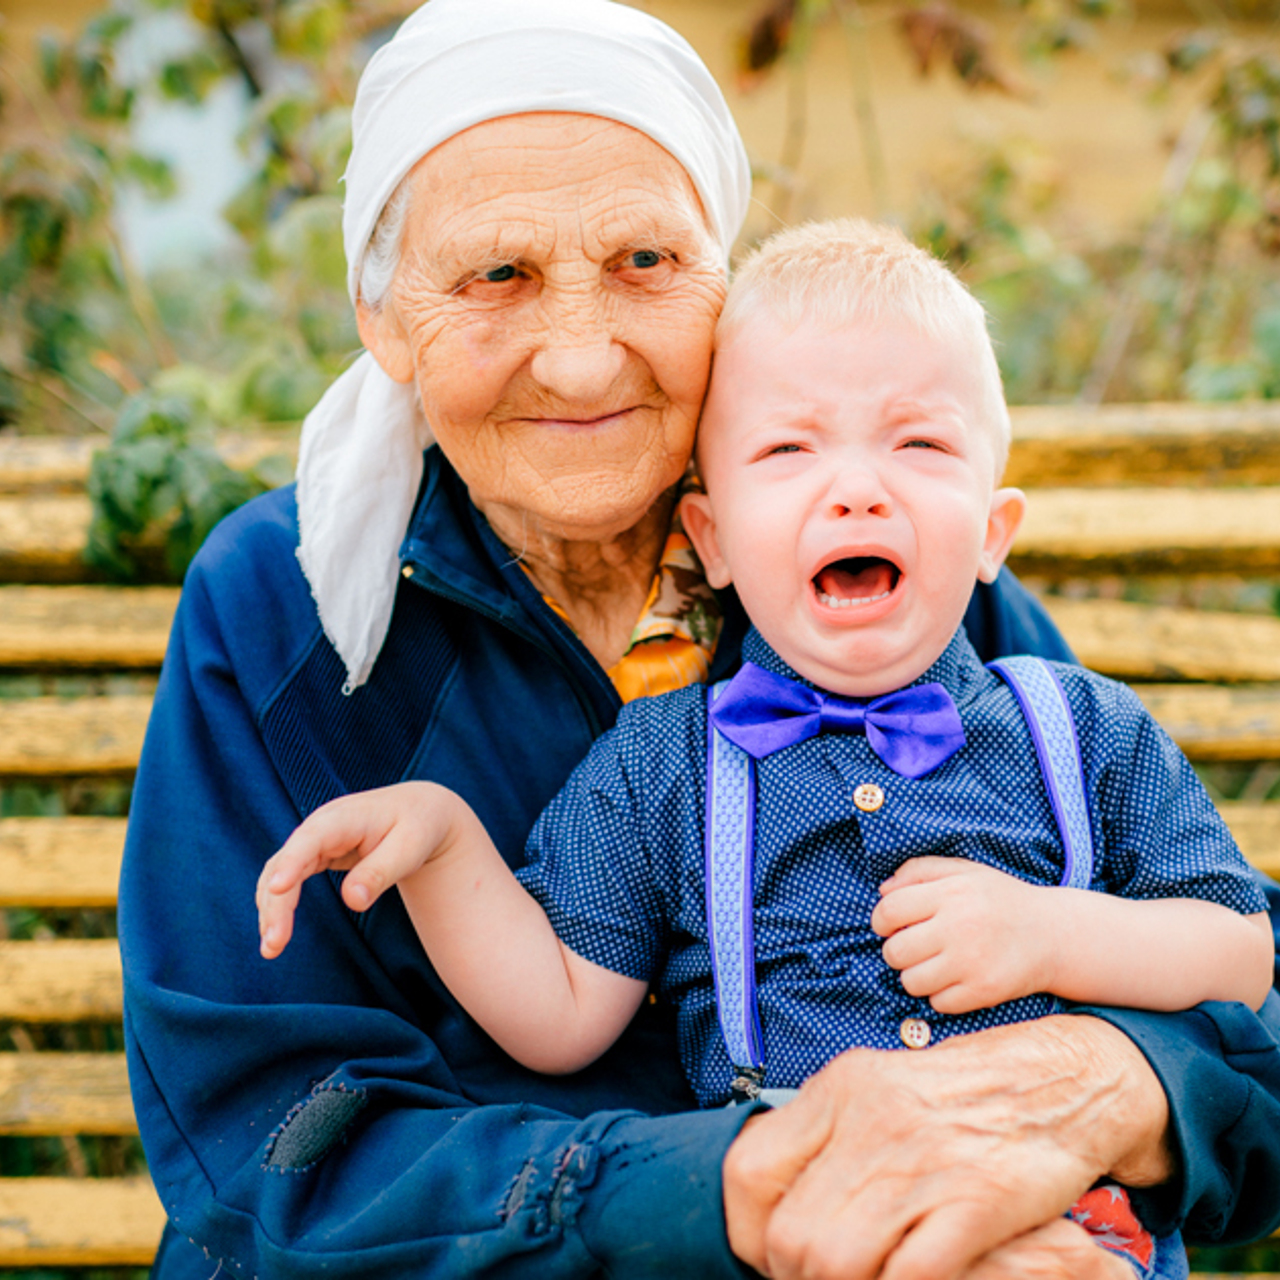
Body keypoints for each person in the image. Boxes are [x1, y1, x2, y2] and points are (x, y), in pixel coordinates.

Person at [117, 2, 1280, 1278]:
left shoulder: (893, 588)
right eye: (495, 275)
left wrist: (1107, 1083)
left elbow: (1241, 991)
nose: (575, 360)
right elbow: (277, 1153)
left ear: (723, 286)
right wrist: (746, 1196)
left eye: (644, 262)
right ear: (386, 320)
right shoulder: (280, 612)